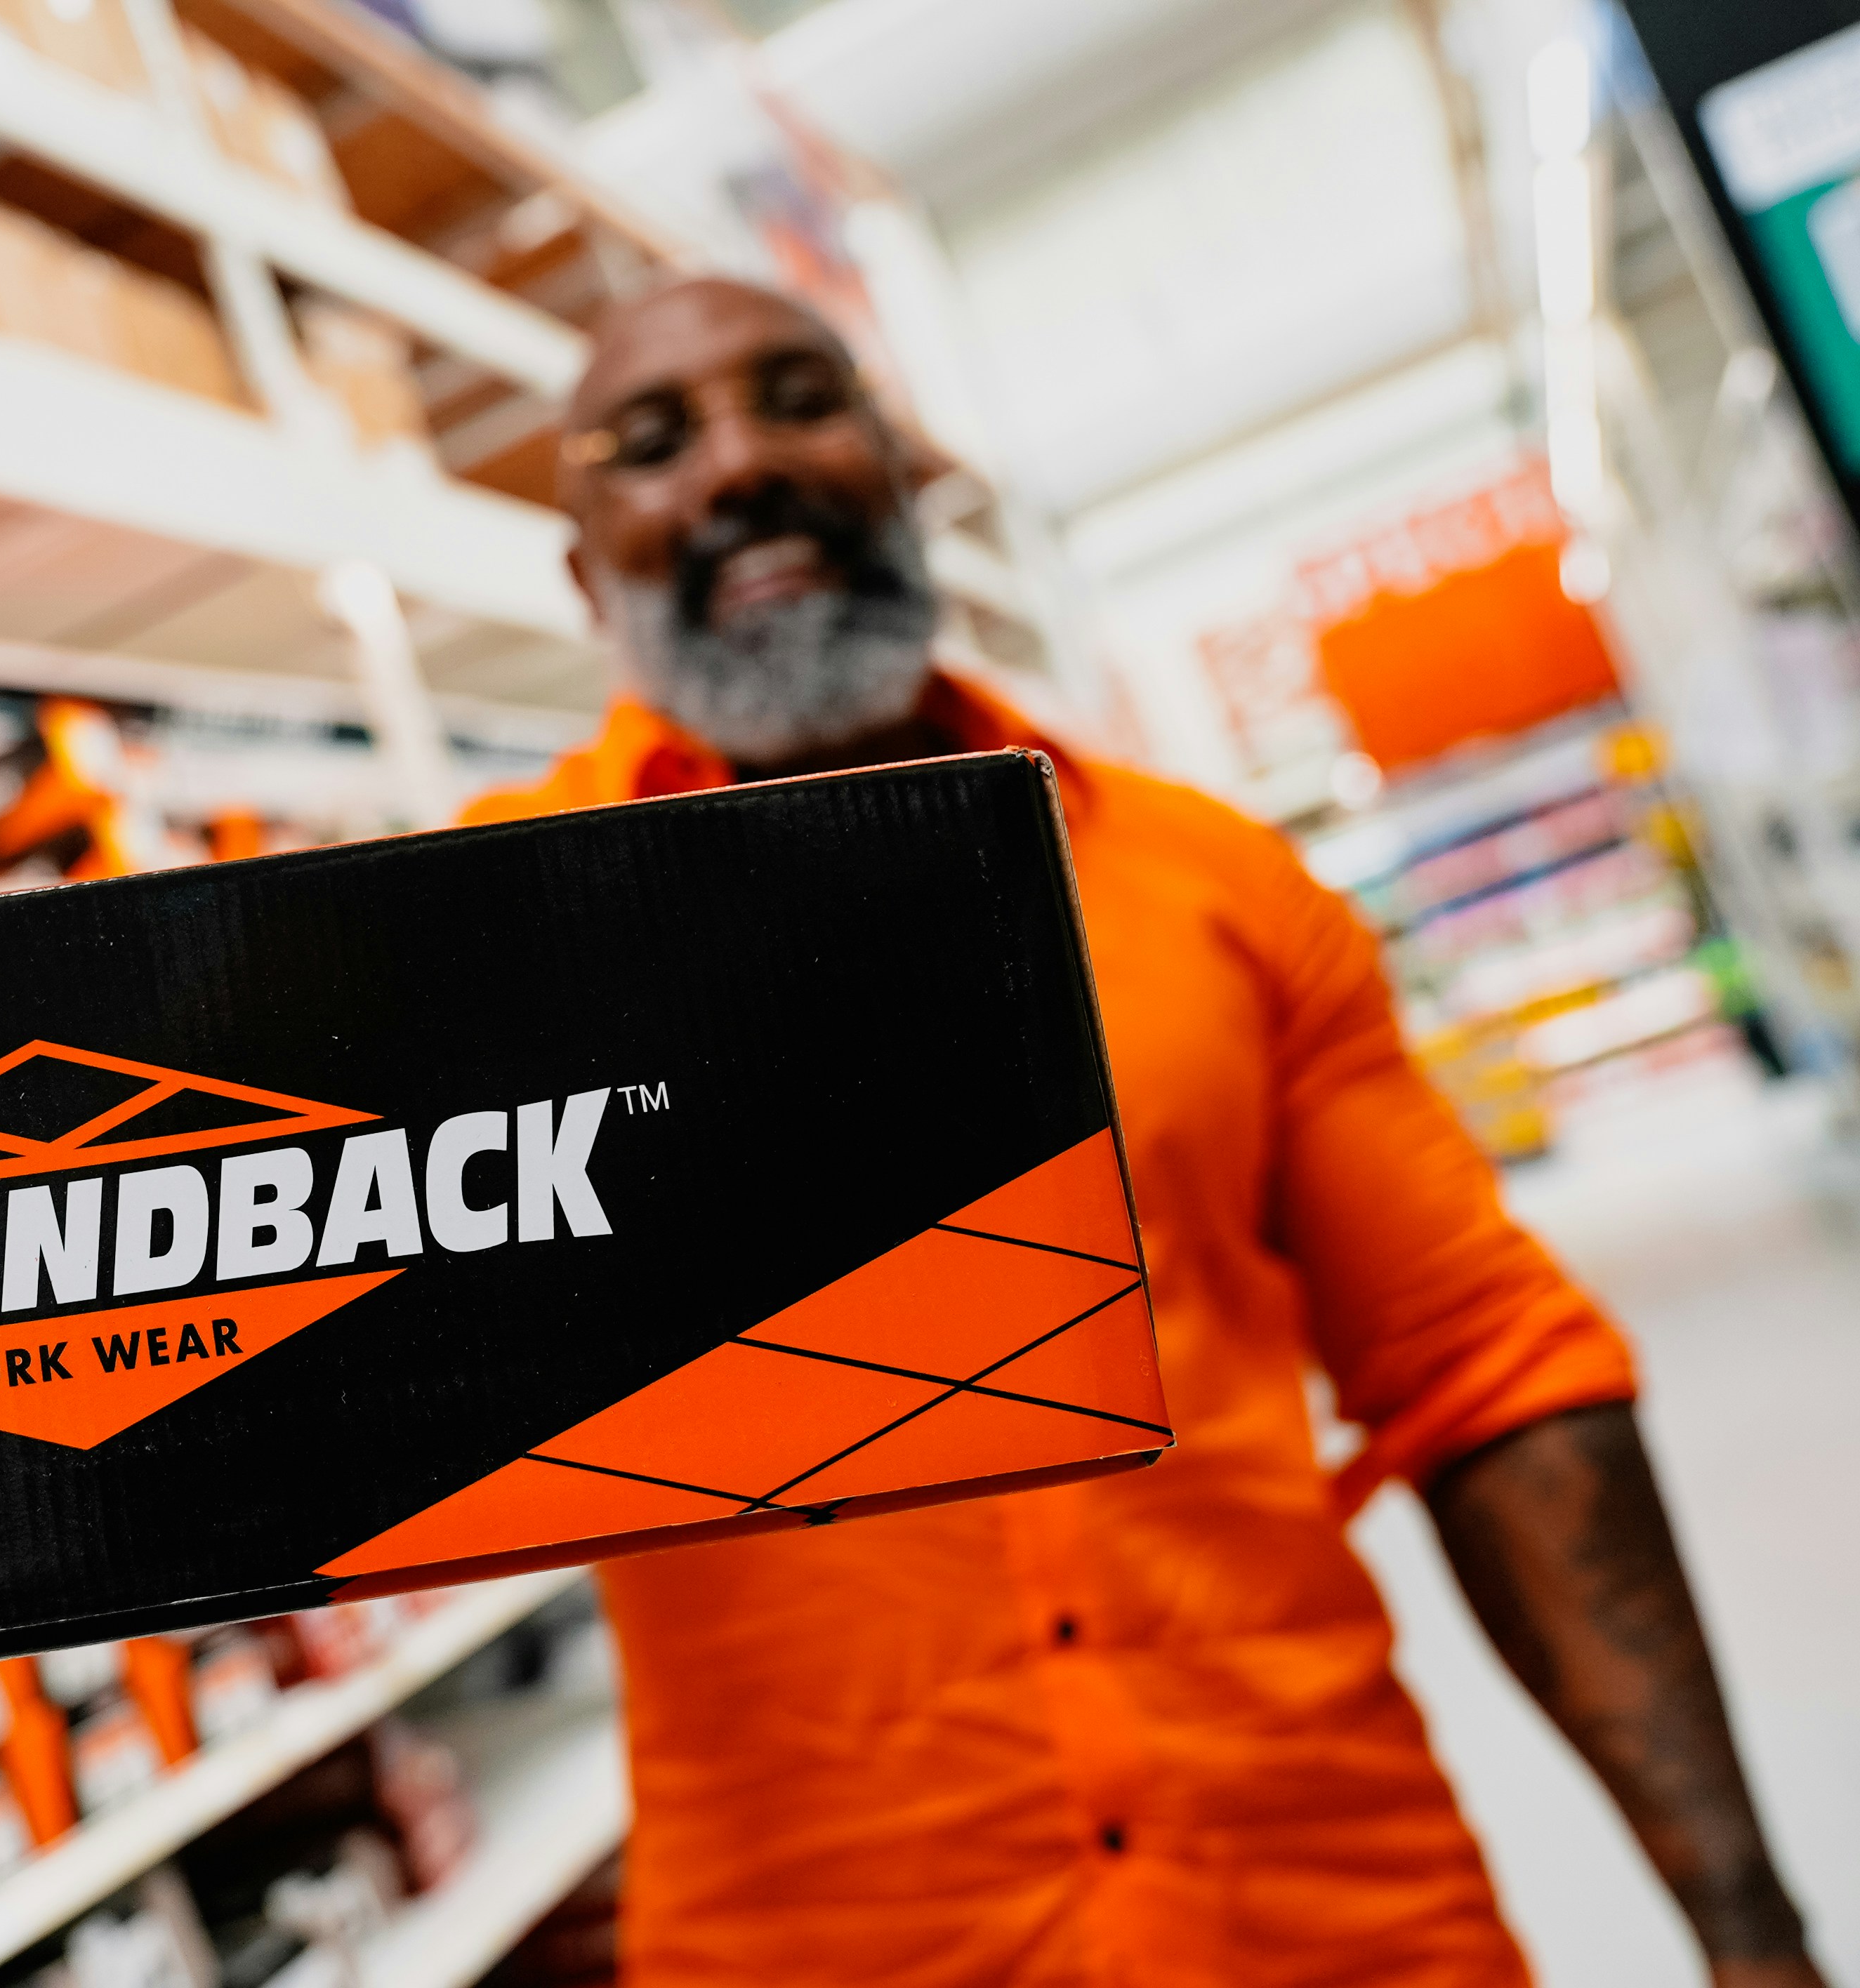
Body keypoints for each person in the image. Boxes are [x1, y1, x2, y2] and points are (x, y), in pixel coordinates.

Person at [464, 277, 1827, 1988]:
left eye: (798, 402)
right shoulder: (474, 969)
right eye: (651, 443)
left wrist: (1747, 1933)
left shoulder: (1210, 887)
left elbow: (1482, 1365)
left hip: (1334, 1921)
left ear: (901, 478)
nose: (738, 465)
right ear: (586, 570)